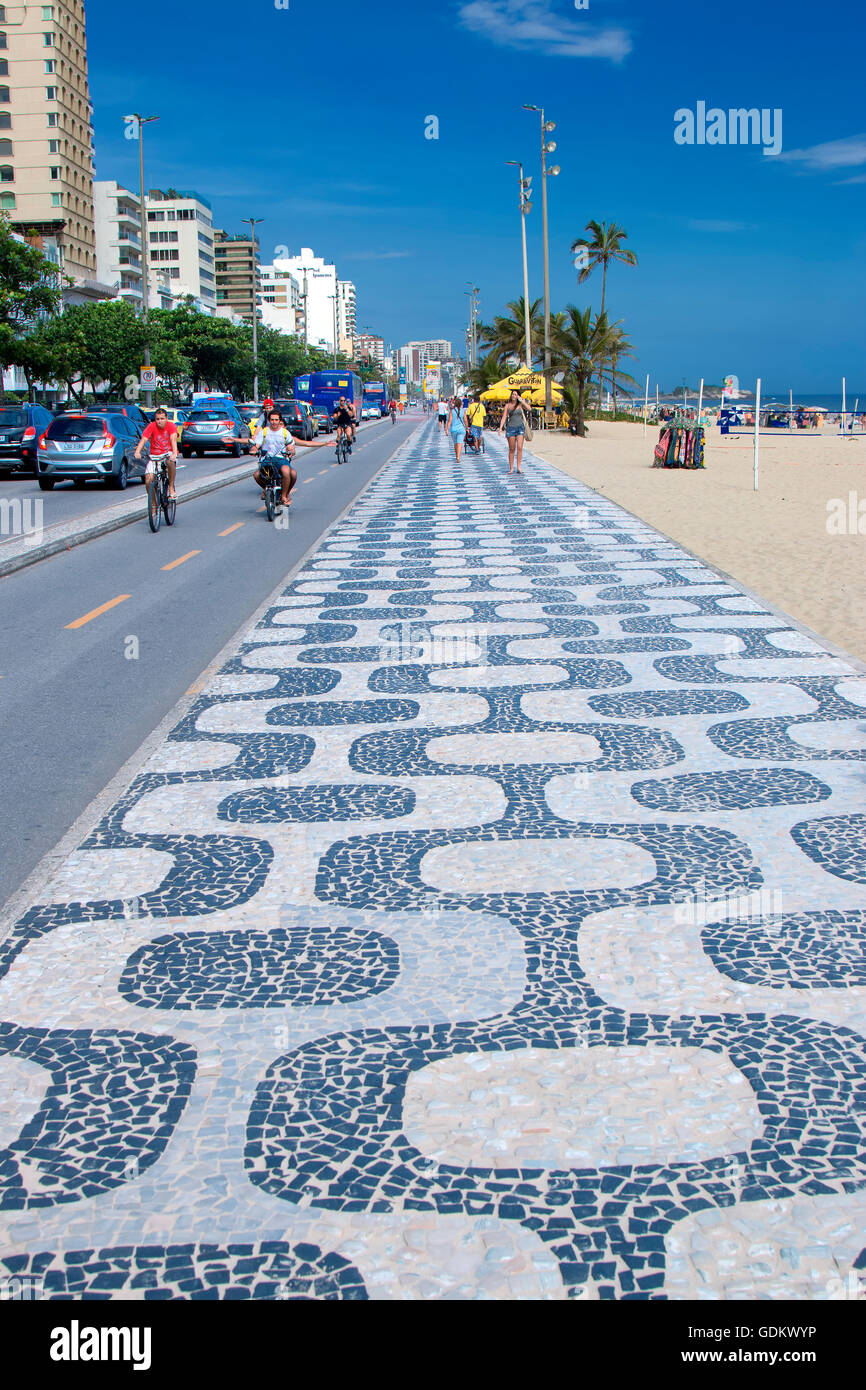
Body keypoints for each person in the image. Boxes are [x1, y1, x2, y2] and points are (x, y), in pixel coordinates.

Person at [135, 405, 179, 499]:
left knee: (170, 462)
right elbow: (144, 439)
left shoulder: (171, 426)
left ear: (166, 418)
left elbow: (173, 439)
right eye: (157, 419)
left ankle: (171, 487)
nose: (160, 421)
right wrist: (138, 451)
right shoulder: (151, 426)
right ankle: (154, 505)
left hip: (168, 454)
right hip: (154, 456)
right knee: (148, 480)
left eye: (162, 418)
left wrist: (174, 453)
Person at [498, 389, 532, 475]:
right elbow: (504, 417)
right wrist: (500, 428)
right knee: (512, 449)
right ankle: (511, 468)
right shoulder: (508, 405)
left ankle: (519, 467)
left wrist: (522, 401)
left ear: (518, 396)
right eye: (513, 394)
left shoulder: (520, 405)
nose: (514, 396)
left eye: (515, 394)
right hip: (511, 428)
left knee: (520, 447)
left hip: (520, 428)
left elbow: (529, 408)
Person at [447, 397, 467, 461]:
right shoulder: (463, 411)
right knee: (460, 443)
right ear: (461, 404)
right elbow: (465, 420)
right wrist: (467, 427)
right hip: (461, 429)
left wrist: (446, 429)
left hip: (453, 429)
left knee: (456, 443)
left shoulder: (452, 411)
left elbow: (449, 420)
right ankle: (458, 457)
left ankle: (457, 456)